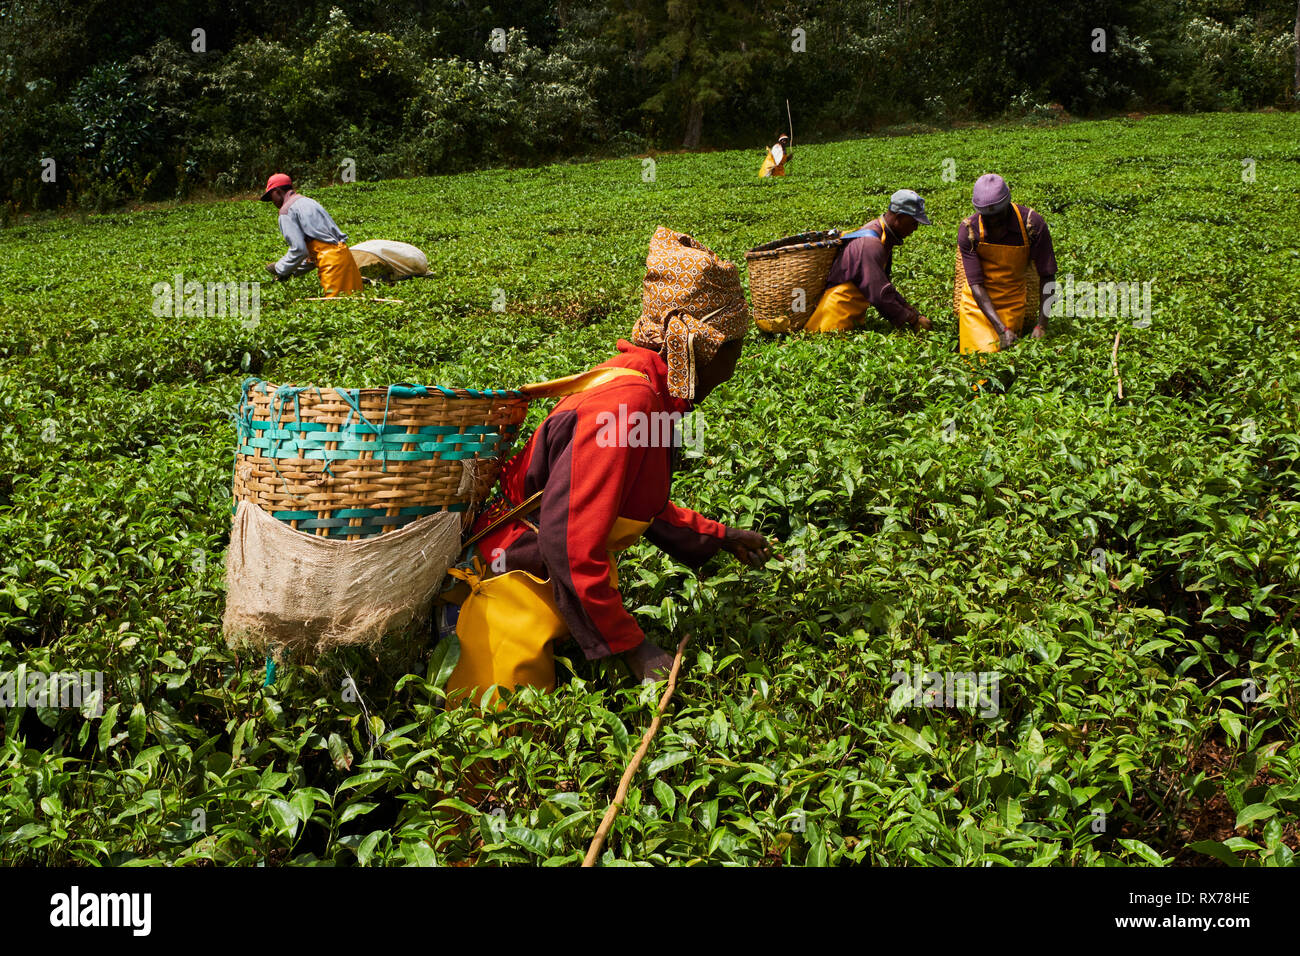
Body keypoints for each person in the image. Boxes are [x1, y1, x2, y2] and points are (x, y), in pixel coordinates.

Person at [444, 227, 774, 697]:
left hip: (544, 583)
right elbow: (570, 542)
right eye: (734, 349)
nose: (733, 369)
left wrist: (720, 536)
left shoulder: (646, 391)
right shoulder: (625, 407)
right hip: (509, 590)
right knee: (496, 740)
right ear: (705, 347)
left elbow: (633, 504)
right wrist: (636, 649)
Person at [803, 189, 933, 334]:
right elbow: (880, 294)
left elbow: (885, 286)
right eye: (914, 222)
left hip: (849, 322)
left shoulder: (880, 234)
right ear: (900, 217)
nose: (915, 228)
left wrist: (913, 313)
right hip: (831, 326)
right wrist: (912, 320)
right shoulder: (870, 244)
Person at [954, 173, 1057, 352]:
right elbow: (976, 285)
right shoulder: (969, 230)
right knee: (977, 359)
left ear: (1008, 203)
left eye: (999, 216)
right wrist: (1002, 329)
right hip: (976, 304)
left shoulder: (1032, 224)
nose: (994, 223)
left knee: (1003, 357)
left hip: (1012, 301)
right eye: (988, 218)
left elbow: (1047, 276)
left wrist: (1042, 325)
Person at [259, 173, 362, 297]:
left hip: (331, 265)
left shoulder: (286, 211)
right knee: (354, 302)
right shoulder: (308, 201)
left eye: (271, 197)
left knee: (336, 305)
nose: (273, 202)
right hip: (345, 258)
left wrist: (280, 268)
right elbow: (313, 254)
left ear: (277, 191)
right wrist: (292, 272)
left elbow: (299, 250)